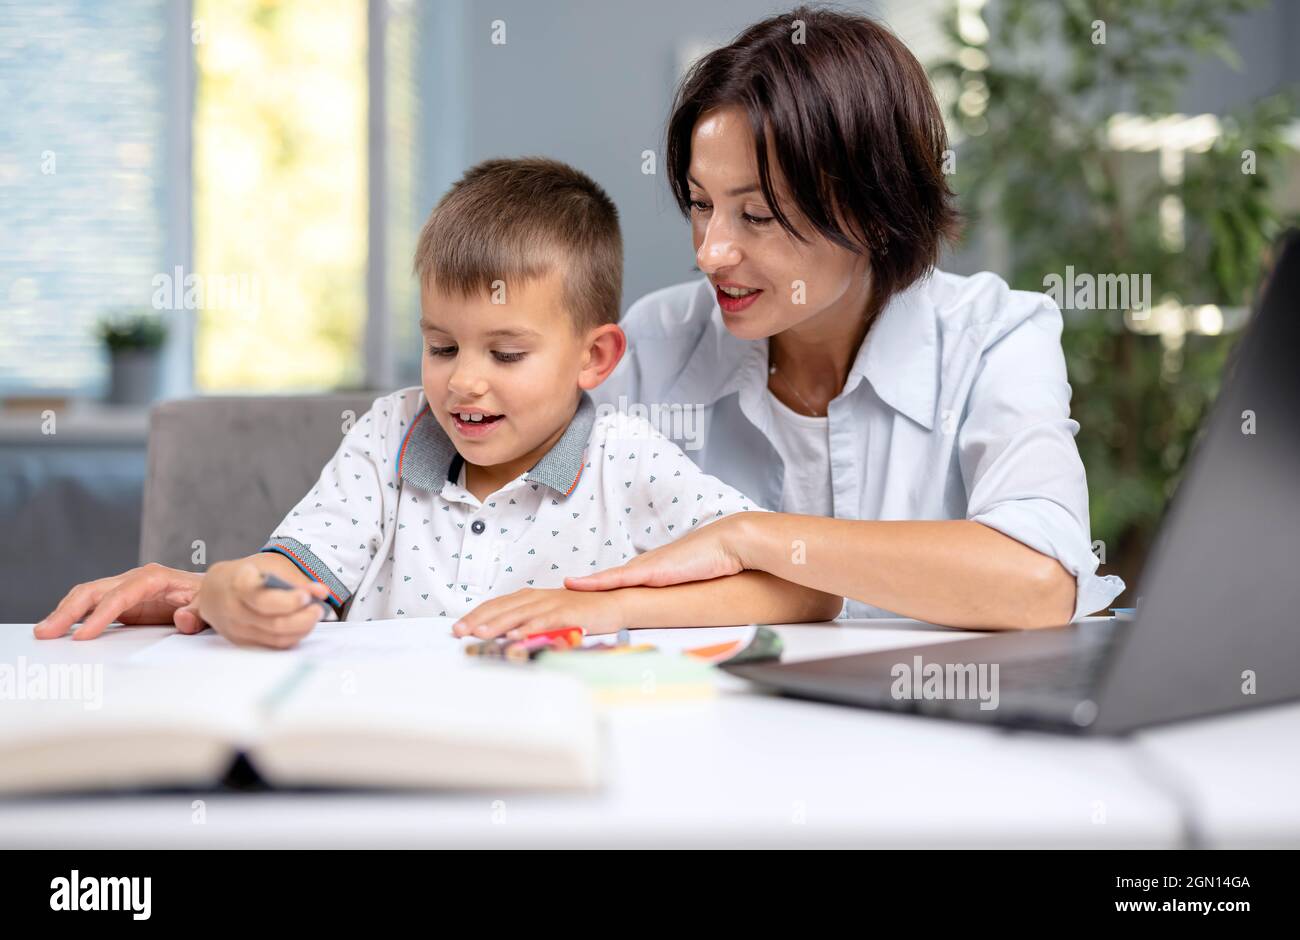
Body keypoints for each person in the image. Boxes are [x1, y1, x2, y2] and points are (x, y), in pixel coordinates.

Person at [34, 157, 841, 647]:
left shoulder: (627, 458)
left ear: (595, 357)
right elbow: (291, 570)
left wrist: (604, 608)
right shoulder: (391, 433)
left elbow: (806, 588)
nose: (464, 381)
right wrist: (228, 593)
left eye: (507, 351)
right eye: (443, 345)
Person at [565, 7, 1124, 629]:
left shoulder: (994, 337)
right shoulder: (657, 342)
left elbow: (1038, 582)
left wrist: (749, 536)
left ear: (874, 211)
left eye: (756, 216)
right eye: (701, 204)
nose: (710, 253)